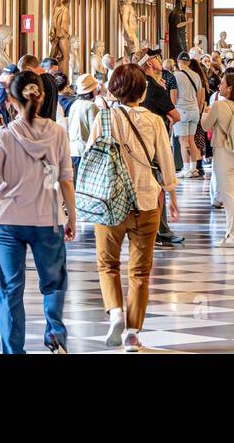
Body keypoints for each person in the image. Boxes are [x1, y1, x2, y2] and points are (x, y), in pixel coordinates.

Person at [0, 70, 75, 353]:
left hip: (8, 220)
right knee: (54, 281)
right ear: (41, 98)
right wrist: (72, 218)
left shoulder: (4, 135)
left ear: (11, 100)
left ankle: (14, 350)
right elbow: (66, 178)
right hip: (48, 217)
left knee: (9, 289)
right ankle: (54, 332)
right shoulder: (57, 133)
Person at [87, 64, 179, 351]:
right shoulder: (153, 120)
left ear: (113, 88)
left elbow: (91, 156)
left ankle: (115, 311)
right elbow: (166, 161)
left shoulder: (103, 118)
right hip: (146, 201)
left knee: (107, 264)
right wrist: (173, 197)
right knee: (140, 272)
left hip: (108, 202)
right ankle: (132, 333)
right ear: (143, 90)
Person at [202, 72, 234, 246]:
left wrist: (204, 113)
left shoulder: (219, 105)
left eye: (222, 83)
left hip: (224, 152)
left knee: (228, 195)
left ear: (230, 88)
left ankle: (232, 236)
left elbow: (205, 125)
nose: (219, 86)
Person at [139, 49, 183, 246]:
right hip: (154, 143)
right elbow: (176, 116)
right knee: (158, 187)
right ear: (149, 63)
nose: (160, 60)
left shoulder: (139, 84)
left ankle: (153, 228)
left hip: (137, 144)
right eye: (156, 58)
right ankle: (159, 229)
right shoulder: (155, 88)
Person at [172, 54, 206, 177]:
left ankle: (185, 168)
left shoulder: (176, 76)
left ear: (178, 61)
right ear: (189, 62)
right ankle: (193, 168)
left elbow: (174, 98)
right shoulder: (196, 75)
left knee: (183, 141)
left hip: (182, 110)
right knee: (191, 140)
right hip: (194, 110)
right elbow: (199, 95)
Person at [65, 74, 103, 175]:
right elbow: (95, 131)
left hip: (73, 150)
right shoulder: (91, 106)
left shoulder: (75, 104)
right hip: (85, 150)